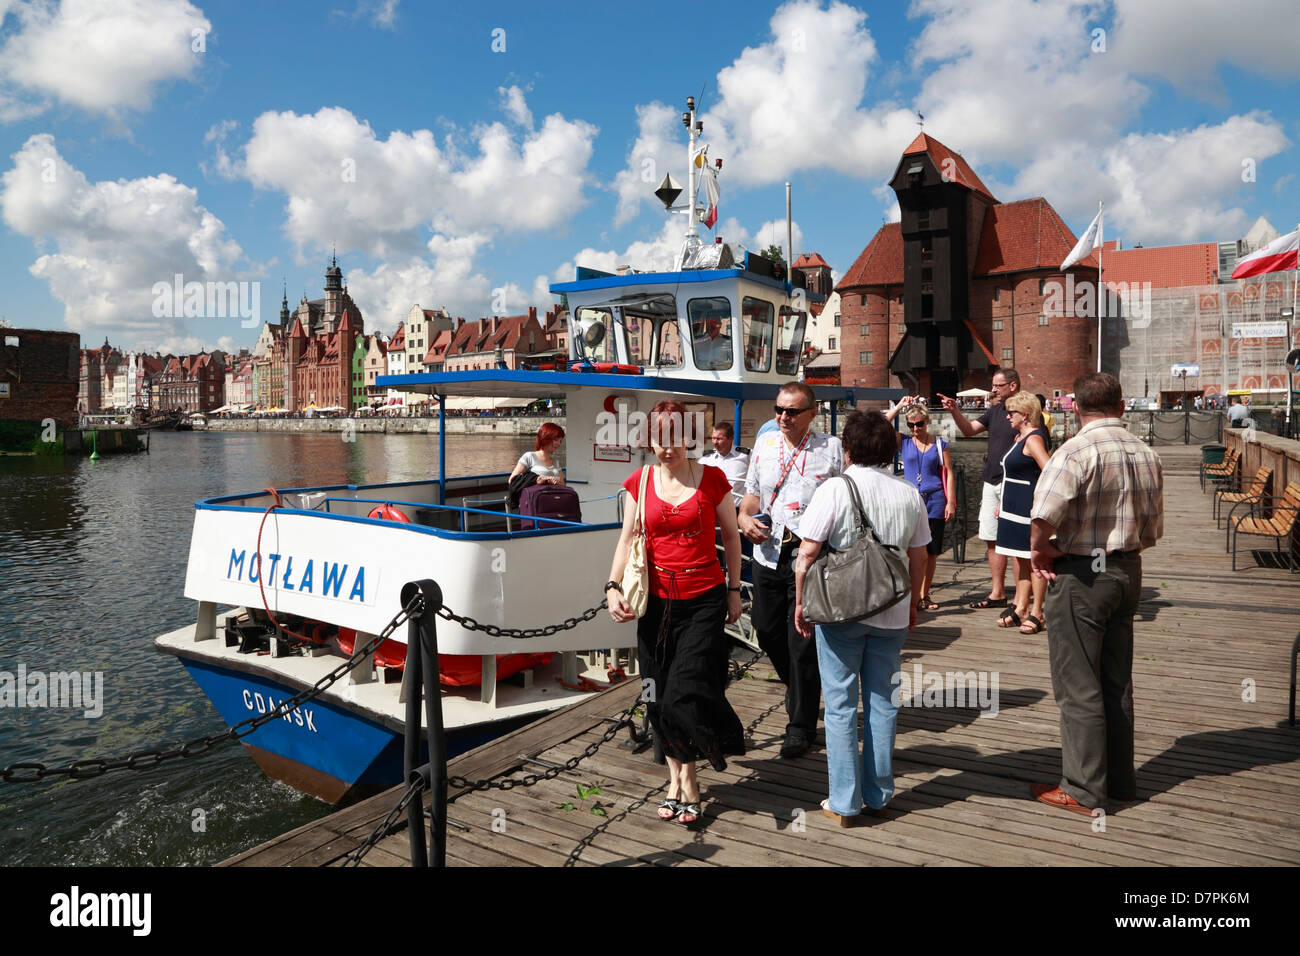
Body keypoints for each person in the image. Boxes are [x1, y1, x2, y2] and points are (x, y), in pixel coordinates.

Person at [1029, 373, 1163, 815]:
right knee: (1115, 680)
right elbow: (1154, 528)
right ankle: (1120, 781)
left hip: (1083, 575)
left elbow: (1042, 515)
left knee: (1078, 684)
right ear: (1121, 407)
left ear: (1075, 408)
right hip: (1127, 570)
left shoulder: (1074, 451)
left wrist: (1042, 554)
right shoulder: (1146, 452)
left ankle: (1084, 789)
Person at [604, 400, 745, 825]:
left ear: (690, 437)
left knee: (685, 689)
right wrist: (612, 587)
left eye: (676, 438)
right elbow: (627, 538)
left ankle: (703, 766)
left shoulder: (713, 479)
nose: (668, 448)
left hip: (703, 599)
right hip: (654, 603)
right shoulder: (639, 481)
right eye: (659, 440)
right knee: (654, 692)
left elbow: (732, 538)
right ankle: (678, 779)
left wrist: (735, 590)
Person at [792, 410, 929, 823]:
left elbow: (807, 553)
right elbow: (919, 555)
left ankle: (845, 801)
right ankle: (880, 794)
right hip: (891, 610)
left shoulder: (836, 488)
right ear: (892, 449)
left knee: (839, 706)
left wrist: (801, 601)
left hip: (841, 612)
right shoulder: (910, 493)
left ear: (848, 450)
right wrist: (914, 604)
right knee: (883, 703)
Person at [738, 381, 843, 758]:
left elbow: (845, 501)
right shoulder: (765, 446)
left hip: (811, 559)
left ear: (811, 413)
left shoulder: (831, 449)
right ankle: (799, 692)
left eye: (792, 411)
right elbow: (750, 496)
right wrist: (743, 518)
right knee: (766, 632)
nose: (783, 417)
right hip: (768, 554)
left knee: (803, 644)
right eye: (779, 410)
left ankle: (800, 727)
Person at [938, 367, 1021, 610]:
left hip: (1013, 483)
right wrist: (954, 411)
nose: (993, 389)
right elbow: (968, 430)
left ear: (1012, 386)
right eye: (993, 385)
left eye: (998, 385)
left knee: (1016, 541)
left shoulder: (1023, 412)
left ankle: (1019, 596)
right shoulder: (995, 411)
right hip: (990, 480)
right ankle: (998, 593)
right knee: (990, 538)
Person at [883, 397, 954, 610]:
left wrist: (951, 501)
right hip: (911, 501)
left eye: (920, 424)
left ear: (927, 421)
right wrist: (898, 407)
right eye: (911, 424)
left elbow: (948, 473)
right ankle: (908, 593)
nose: (916, 428)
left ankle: (925, 594)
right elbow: (880, 425)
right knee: (907, 549)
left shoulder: (940, 444)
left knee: (931, 551)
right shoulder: (903, 442)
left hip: (935, 500)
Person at [995, 392, 1052, 634]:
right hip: (1011, 508)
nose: (1007, 416)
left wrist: (1039, 506)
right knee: (1019, 559)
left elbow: (1049, 471)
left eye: (1011, 413)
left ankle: (1038, 611)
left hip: (1026, 508)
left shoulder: (1033, 439)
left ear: (1025, 415)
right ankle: (1021, 607)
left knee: (1033, 559)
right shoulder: (1020, 437)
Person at [698, 421, 749, 506]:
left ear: (731, 439)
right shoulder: (705, 459)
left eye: (719, 439)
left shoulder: (746, 456)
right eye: (713, 438)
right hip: (713, 510)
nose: (715, 442)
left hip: (737, 510)